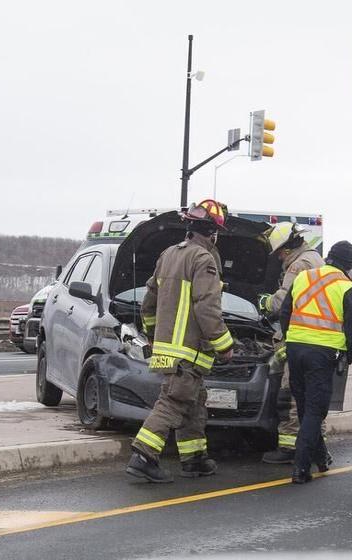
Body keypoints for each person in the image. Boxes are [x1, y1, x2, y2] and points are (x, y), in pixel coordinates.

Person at [126, 199, 234, 483]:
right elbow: (207, 306)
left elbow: (148, 304)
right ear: (212, 232)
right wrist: (224, 344)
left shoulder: (168, 255)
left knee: (193, 403)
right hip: (188, 351)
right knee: (173, 402)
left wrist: (154, 335)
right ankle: (143, 456)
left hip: (168, 349)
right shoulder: (204, 259)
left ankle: (194, 458)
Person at [279, 240, 352, 484]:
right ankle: (301, 468)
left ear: (328, 257)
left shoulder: (304, 277)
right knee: (315, 411)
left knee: (305, 408)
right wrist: (350, 355)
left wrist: (291, 338)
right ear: (350, 265)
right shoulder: (347, 286)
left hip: (295, 349)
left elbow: (285, 312)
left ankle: (321, 457)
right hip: (322, 355)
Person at [257, 222, 326, 464]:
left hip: (300, 338)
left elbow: (282, 301)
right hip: (318, 340)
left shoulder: (299, 265)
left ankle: (289, 448)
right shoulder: (316, 259)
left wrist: (264, 302)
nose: (279, 258)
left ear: (286, 249)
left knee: (290, 396)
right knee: (313, 398)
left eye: (279, 253)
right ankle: (316, 447)